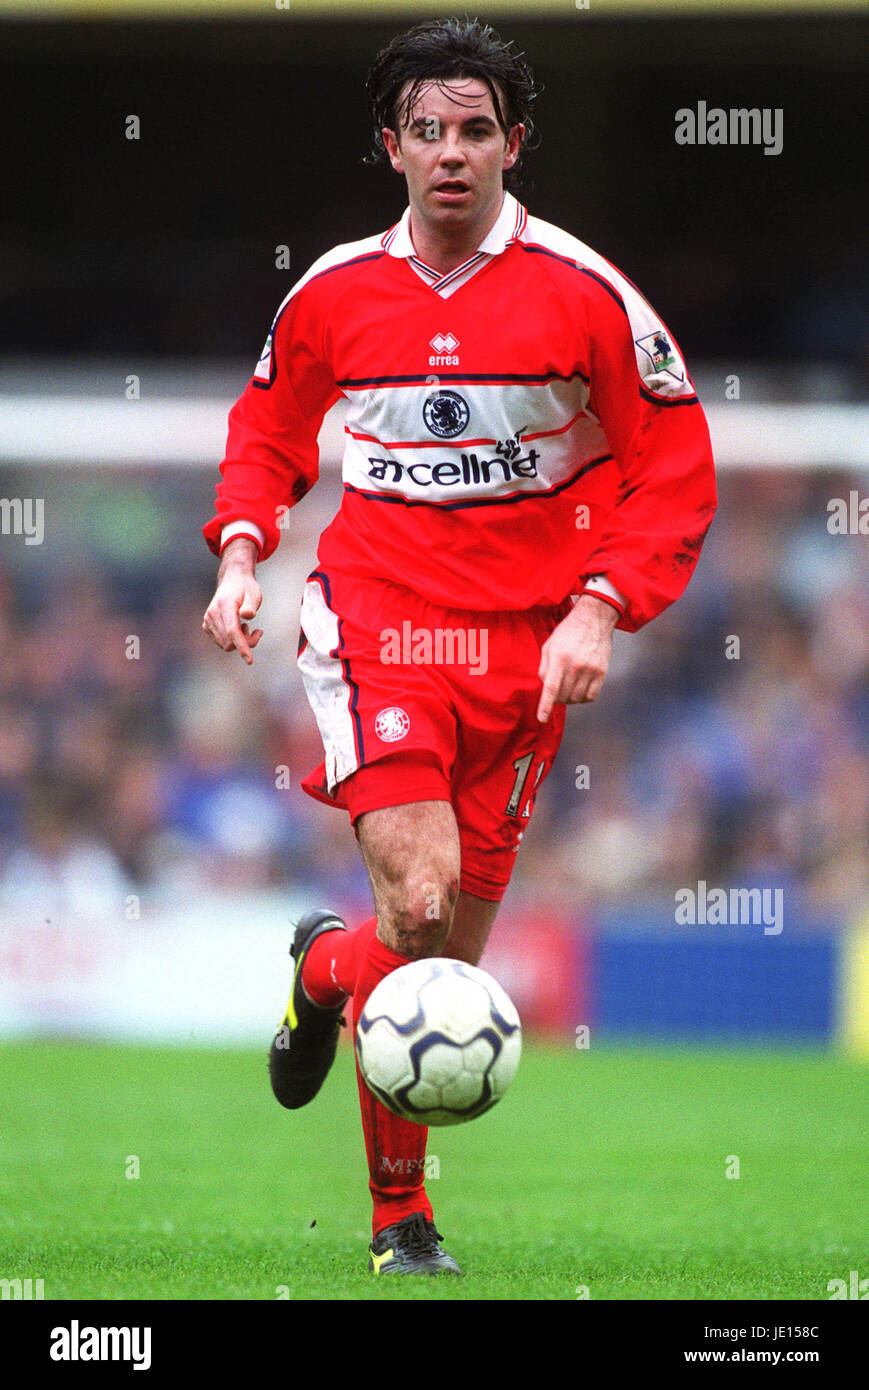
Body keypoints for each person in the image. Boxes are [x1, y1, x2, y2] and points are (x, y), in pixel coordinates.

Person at [202, 16, 716, 1276]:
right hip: (376, 623)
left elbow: (674, 467)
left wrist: (601, 604)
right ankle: (401, 1227)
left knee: (432, 959)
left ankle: (323, 973)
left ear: (512, 143)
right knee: (420, 904)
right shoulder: (332, 292)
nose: (450, 153)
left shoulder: (584, 295)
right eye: (425, 131)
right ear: (389, 148)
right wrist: (237, 553)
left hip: (527, 653)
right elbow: (267, 432)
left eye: (474, 129)